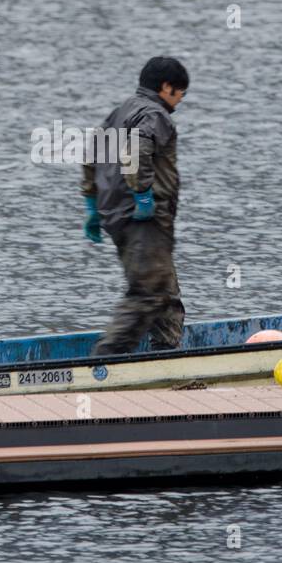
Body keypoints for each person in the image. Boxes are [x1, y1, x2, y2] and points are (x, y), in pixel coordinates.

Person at [80, 57, 188, 356]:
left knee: (164, 291)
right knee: (148, 293)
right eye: (181, 94)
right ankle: (106, 361)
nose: (179, 103)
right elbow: (136, 152)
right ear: (166, 87)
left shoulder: (120, 112)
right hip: (144, 218)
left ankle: (165, 355)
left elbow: (91, 153)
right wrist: (142, 195)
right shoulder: (156, 115)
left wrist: (92, 204)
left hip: (116, 216)